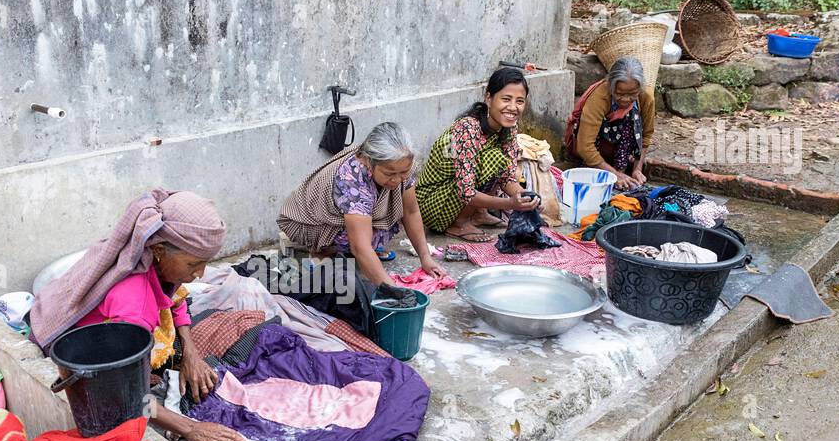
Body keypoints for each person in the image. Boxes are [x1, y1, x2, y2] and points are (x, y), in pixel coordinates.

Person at [29, 189, 246, 441]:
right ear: (158, 250)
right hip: (94, 357)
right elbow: (126, 395)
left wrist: (190, 354)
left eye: (204, 263)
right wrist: (191, 428)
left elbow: (176, 298)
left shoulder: (145, 255)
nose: (200, 274)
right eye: (193, 264)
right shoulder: (135, 306)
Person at [277, 121, 445, 290]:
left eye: (403, 173)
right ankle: (323, 251)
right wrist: (392, 290)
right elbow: (360, 247)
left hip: (352, 215)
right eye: (389, 174)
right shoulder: (352, 181)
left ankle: (367, 252)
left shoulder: (399, 165)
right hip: (308, 223)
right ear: (368, 162)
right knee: (360, 241)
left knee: (385, 217)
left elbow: (411, 211)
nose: (397, 179)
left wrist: (425, 258)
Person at [414, 66, 543, 242]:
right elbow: (466, 192)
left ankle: (478, 213)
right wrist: (510, 204)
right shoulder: (468, 128)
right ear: (489, 98)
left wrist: (526, 199)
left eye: (520, 101)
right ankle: (459, 223)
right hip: (434, 203)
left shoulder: (510, 127)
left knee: (499, 161)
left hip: (457, 195)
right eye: (506, 99)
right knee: (494, 158)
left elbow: (507, 177)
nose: (513, 107)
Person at [565, 56, 656, 191]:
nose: (625, 99)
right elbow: (585, 146)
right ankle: (601, 167)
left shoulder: (646, 96)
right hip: (598, 148)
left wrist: (637, 169)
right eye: (619, 94)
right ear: (611, 86)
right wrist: (614, 175)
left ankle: (622, 165)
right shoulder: (600, 98)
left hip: (623, 151)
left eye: (632, 94)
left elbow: (646, 135)